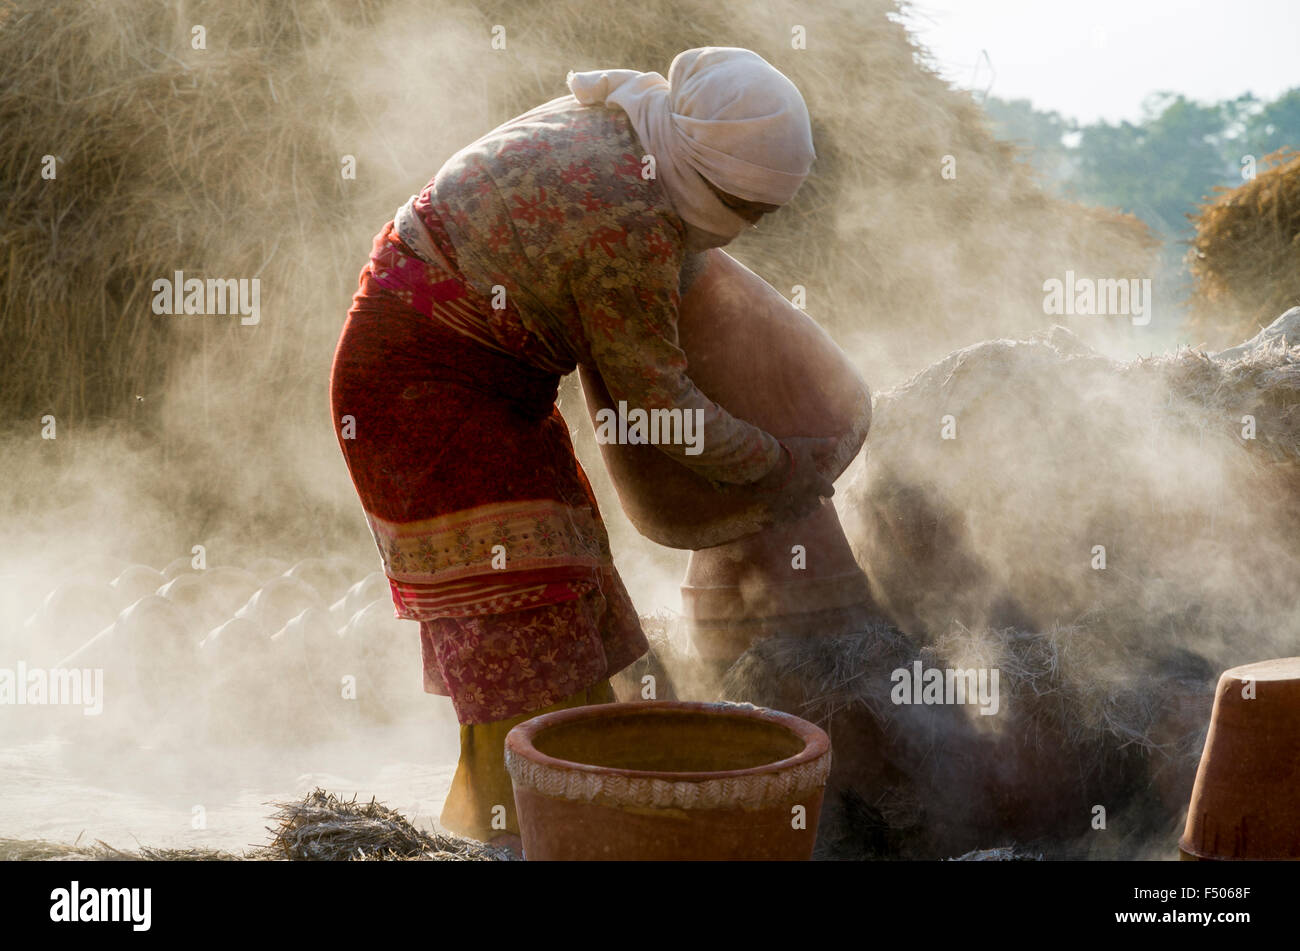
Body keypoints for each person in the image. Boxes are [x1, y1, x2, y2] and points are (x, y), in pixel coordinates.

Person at [329, 46, 834, 851]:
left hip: (478, 374)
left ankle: (532, 825)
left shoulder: (636, 128)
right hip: (420, 391)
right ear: (704, 171)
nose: (750, 227)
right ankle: (520, 841)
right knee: (525, 616)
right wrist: (776, 463)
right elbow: (658, 404)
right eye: (749, 207)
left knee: (572, 592)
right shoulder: (627, 218)